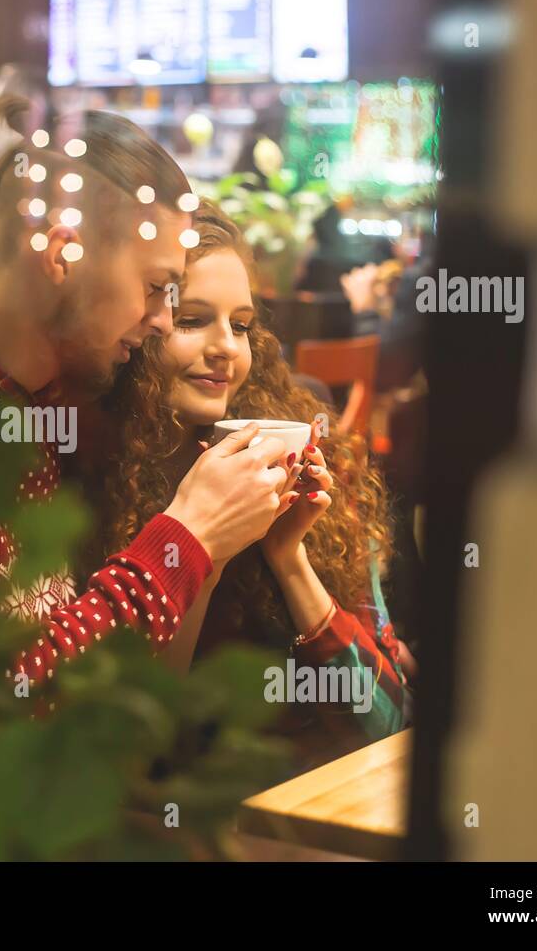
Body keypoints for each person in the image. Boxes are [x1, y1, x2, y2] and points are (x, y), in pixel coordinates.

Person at [0, 97, 301, 691]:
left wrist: (214, 542)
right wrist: (187, 536)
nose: (163, 322)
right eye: (155, 287)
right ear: (62, 254)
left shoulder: (44, 401)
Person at [87, 199, 413, 757]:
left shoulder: (303, 452)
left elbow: (388, 721)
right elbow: (136, 749)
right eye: (191, 320)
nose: (224, 349)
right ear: (138, 327)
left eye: (239, 326)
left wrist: (289, 559)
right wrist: (200, 547)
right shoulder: (90, 474)